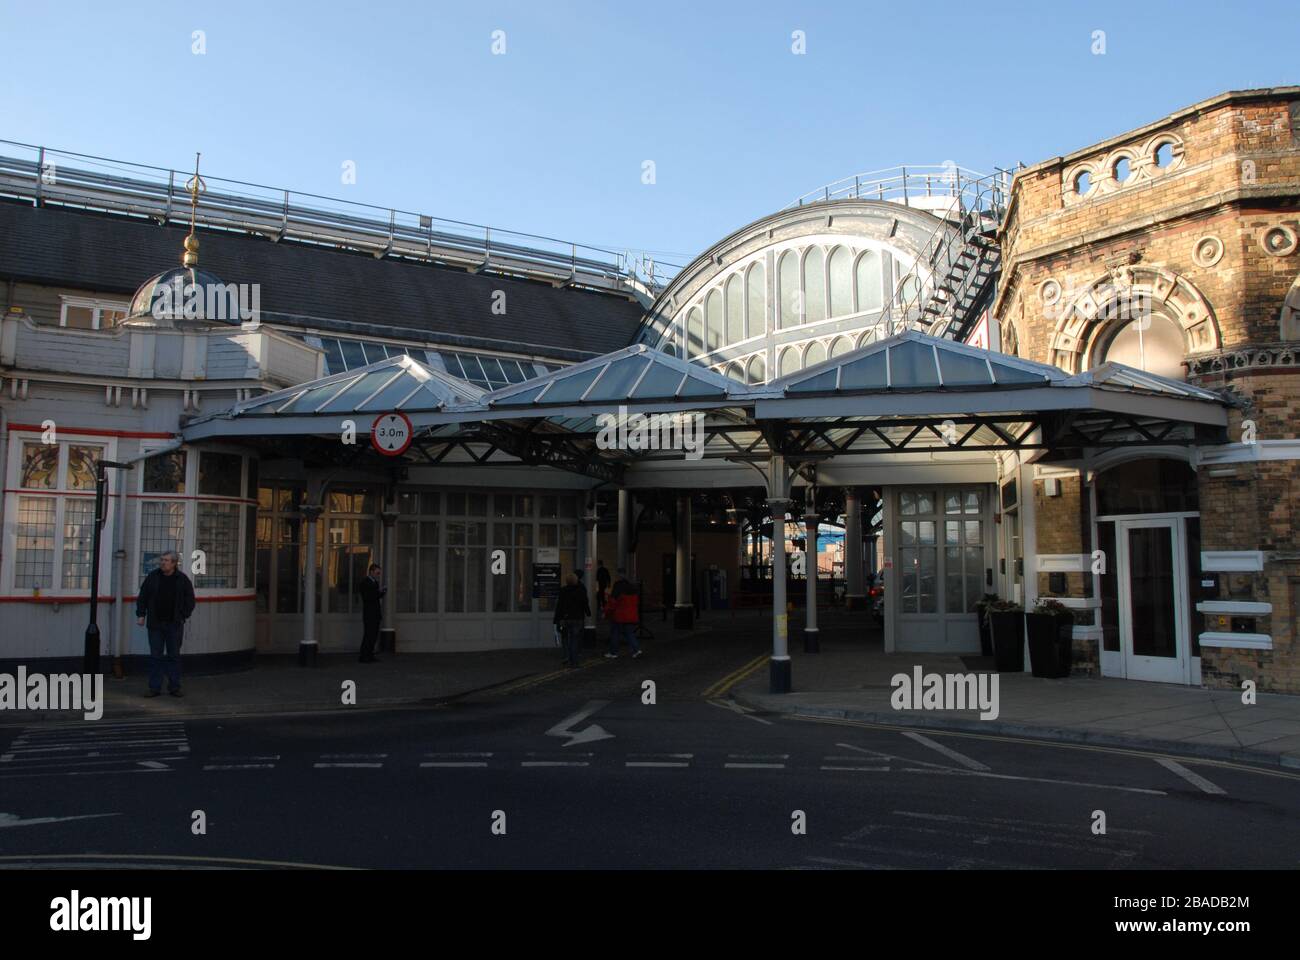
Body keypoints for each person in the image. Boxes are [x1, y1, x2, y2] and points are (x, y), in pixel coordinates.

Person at [135, 550, 196, 697]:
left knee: (173, 656)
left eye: (166, 560)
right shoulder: (153, 577)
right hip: (155, 624)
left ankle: (174, 687)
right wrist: (141, 614)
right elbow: (143, 596)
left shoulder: (182, 579)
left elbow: (190, 600)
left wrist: (183, 615)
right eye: (162, 560)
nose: (162, 562)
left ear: (174, 563)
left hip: (174, 624)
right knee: (156, 656)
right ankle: (154, 688)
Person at [553, 573, 590, 668]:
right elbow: (585, 603)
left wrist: (556, 619)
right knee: (574, 639)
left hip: (566, 618)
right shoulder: (581, 590)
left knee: (565, 638)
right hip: (577, 618)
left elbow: (559, 606)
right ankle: (574, 661)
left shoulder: (563, 591)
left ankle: (567, 657)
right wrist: (588, 612)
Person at [603, 569, 642, 659]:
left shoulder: (618, 587)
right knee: (629, 633)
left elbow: (613, 603)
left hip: (619, 615)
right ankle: (636, 649)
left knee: (615, 633)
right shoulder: (633, 588)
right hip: (631, 615)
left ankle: (613, 652)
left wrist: (606, 612)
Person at [358, 562, 386, 663]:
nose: (378, 575)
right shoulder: (365, 583)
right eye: (377, 573)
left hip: (375, 613)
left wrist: (381, 593)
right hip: (369, 613)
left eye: (379, 573)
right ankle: (364, 656)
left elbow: (376, 597)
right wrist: (379, 593)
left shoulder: (374, 582)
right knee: (368, 635)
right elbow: (368, 597)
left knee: (373, 635)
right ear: (371, 572)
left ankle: (369, 654)